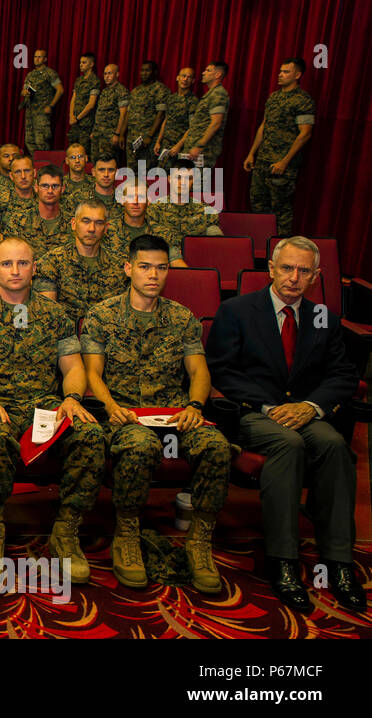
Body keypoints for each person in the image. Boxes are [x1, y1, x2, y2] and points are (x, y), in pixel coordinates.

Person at [206, 236, 365, 614]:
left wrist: (312, 406)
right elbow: (221, 370)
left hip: (304, 413)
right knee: (288, 445)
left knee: (333, 445)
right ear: (271, 269)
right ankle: (283, 560)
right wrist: (268, 405)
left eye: (304, 271)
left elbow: (343, 373)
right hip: (254, 414)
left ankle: (338, 562)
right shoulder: (237, 310)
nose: (294, 277)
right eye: (287, 268)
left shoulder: (322, 315)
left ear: (316, 276)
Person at [82, 234, 231, 593]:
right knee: (139, 446)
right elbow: (92, 374)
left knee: (216, 446)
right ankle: (128, 534)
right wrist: (112, 408)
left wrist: (195, 406)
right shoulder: (101, 315)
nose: (154, 275)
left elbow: (198, 371)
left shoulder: (182, 319)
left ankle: (199, 541)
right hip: (125, 415)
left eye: (161, 268)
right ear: (128, 268)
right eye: (145, 267)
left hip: (174, 414)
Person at [0, 237, 106, 586]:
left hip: (45, 405)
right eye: (7, 263)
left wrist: (71, 397)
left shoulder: (55, 315)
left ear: (34, 268)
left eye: (23, 263)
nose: (15, 270)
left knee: (90, 434)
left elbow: (72, 367)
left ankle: (65, 531)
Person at [244, 57, 314, 237]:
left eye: (285, 72)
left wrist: (284, 161)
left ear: (297, 75)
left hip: (282, 167)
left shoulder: (303, 100)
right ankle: (259, 245)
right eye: (280, 71)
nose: (280, 75)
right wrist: (252, 153)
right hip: (262, 162)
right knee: (258, 205)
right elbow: (263, 125)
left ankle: (279, 248)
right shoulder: (274, 97)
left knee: (280, 211)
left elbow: (305, 133)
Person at [168, 62, 229, 169]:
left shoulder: (218, 94)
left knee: (196, 183)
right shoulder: (210, 94)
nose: (203, 73)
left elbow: (216, 123)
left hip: (204, 151)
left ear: (218, 75)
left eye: (208, 70)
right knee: (186, 183)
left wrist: (199, 146)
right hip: (193, 146)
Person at [127, 61, 169, 169]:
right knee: (131, 172)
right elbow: (128, 113)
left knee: (145, 173)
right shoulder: (136, 90)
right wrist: (122, 134)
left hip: (148, 139)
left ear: (154, 72)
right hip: (132, 137)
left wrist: (149, 136)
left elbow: (161, 115)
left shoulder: (160, 89)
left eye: (147, 70)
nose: (144, 73)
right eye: (142, 70)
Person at [21, 49, 63, 153]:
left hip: (42, 113)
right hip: (30, 112)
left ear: (45, 59)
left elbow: (60, 90)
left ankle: (44, 165)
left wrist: (51, 106)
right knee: (29, 141)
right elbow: (24, 89)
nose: (37, 59)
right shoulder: (30, 74)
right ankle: (35, 164)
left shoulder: (50, 73)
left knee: (41, 141)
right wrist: (24, 92)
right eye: (35, 57)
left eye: (39, 57)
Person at [67, 53, 101, 147]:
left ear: (91, 64)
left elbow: (91, 104)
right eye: (80, 62)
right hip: (74, 122)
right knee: (72, 148)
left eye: (84, 62)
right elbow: (73, 98)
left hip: (86, 123)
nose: (80, 65)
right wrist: (71, 116)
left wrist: (77, 118)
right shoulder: (79, 80)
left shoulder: (94, 81)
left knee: (83, 150)